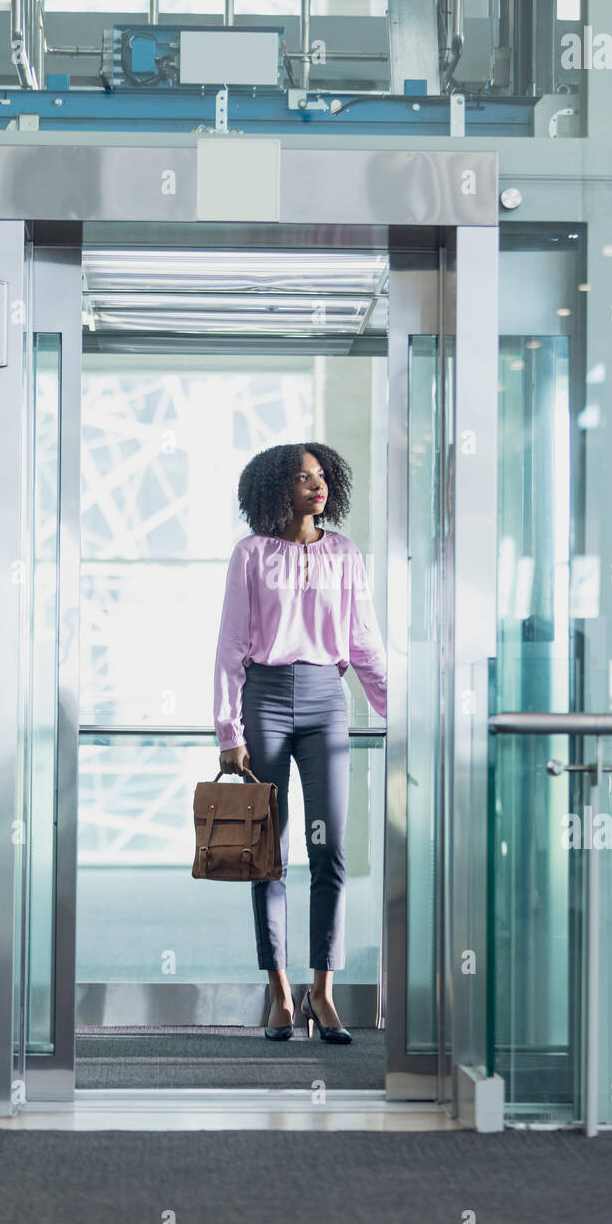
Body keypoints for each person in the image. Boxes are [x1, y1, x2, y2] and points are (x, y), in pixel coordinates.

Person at [212, 442, 387, 1044]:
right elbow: (231, 646)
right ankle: (280, 992)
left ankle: (324, 991)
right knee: (268, 852)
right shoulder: (251, 555)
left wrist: (402, 717)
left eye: (321, 476)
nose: (316, 486)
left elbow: (363, 643)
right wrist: (228, 731)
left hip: (324, 700)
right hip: (263, 699)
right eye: (302, 477)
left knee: (330, 849)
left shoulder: (345, 553)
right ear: (275, 489)